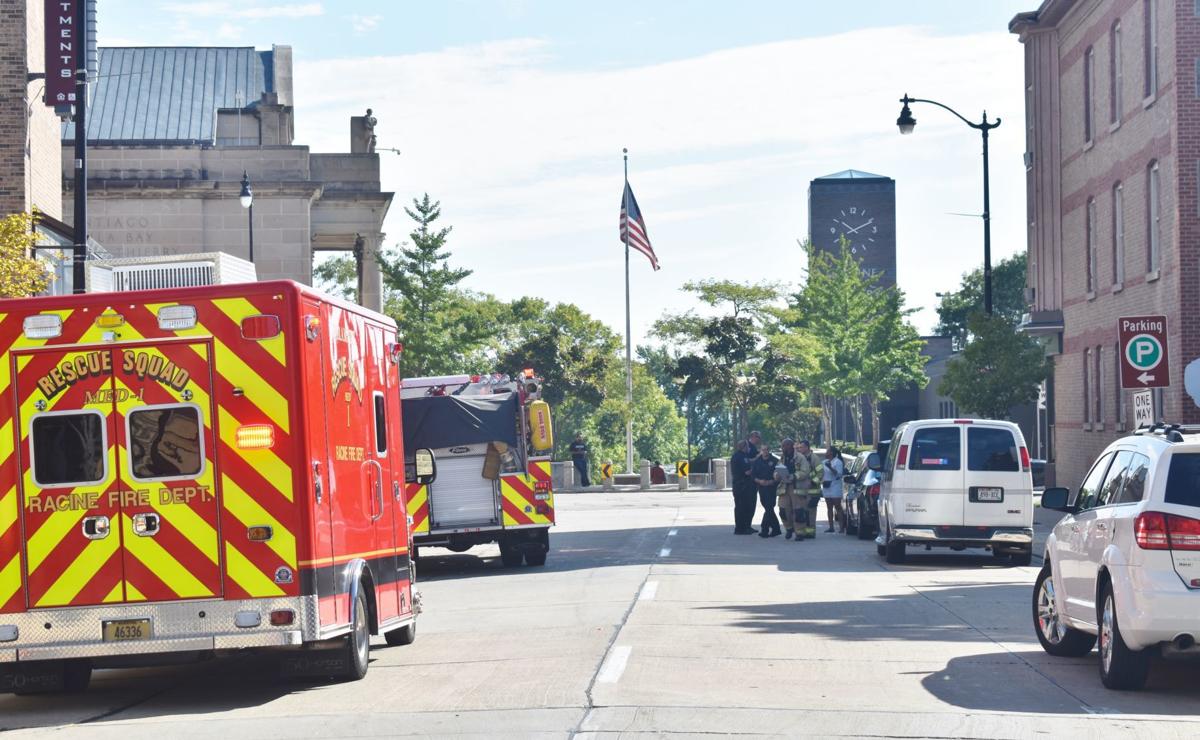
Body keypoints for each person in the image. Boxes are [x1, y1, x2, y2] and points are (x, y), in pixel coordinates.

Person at [751, 444, 782, 538]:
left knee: (769, 507)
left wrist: (772, 481)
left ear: (769, 450)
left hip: (771, 487)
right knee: (768, 508)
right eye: (763, 449)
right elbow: (753, 475)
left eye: (766, 449)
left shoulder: (775, 461)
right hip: (761, 487)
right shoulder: (757, 461)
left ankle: (765, 530)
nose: (765, 451)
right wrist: (759, 481)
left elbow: (780, 474)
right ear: (760, 450)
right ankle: (776, 529)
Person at [794, 439, 822, 539]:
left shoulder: (814, 458)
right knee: (802, 512)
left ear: (807, 447)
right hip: (801, 491)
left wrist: (813, 482)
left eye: (801, 447)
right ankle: (803, 531)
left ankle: (810, 533)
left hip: (812, 491)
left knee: (810, 513)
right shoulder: (799, 458)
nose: (799, 449)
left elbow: (820, 473)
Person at [729, 441, 757, 535]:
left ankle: (747, 527)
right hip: (741, 486)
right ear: (744, 447)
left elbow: (750, 461)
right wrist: (755, 470)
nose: (749, 448)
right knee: (741, 508)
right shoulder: (739, 457)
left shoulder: (742, 456)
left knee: (748, 507)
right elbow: (747, 472)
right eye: (748, 446)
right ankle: (740, 529)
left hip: (744, 485)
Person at [821, 446, 846, 533]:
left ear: (831, 453)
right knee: (829, 507)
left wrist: (830, 467)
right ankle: (831, 527)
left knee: (837, 506)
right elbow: (821, 473)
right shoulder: (824, 462)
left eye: (827, 451)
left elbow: (839, 474)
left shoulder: (838, 462)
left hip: (835, 486)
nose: (826, 453)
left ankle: (841, 528)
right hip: (826, 485)